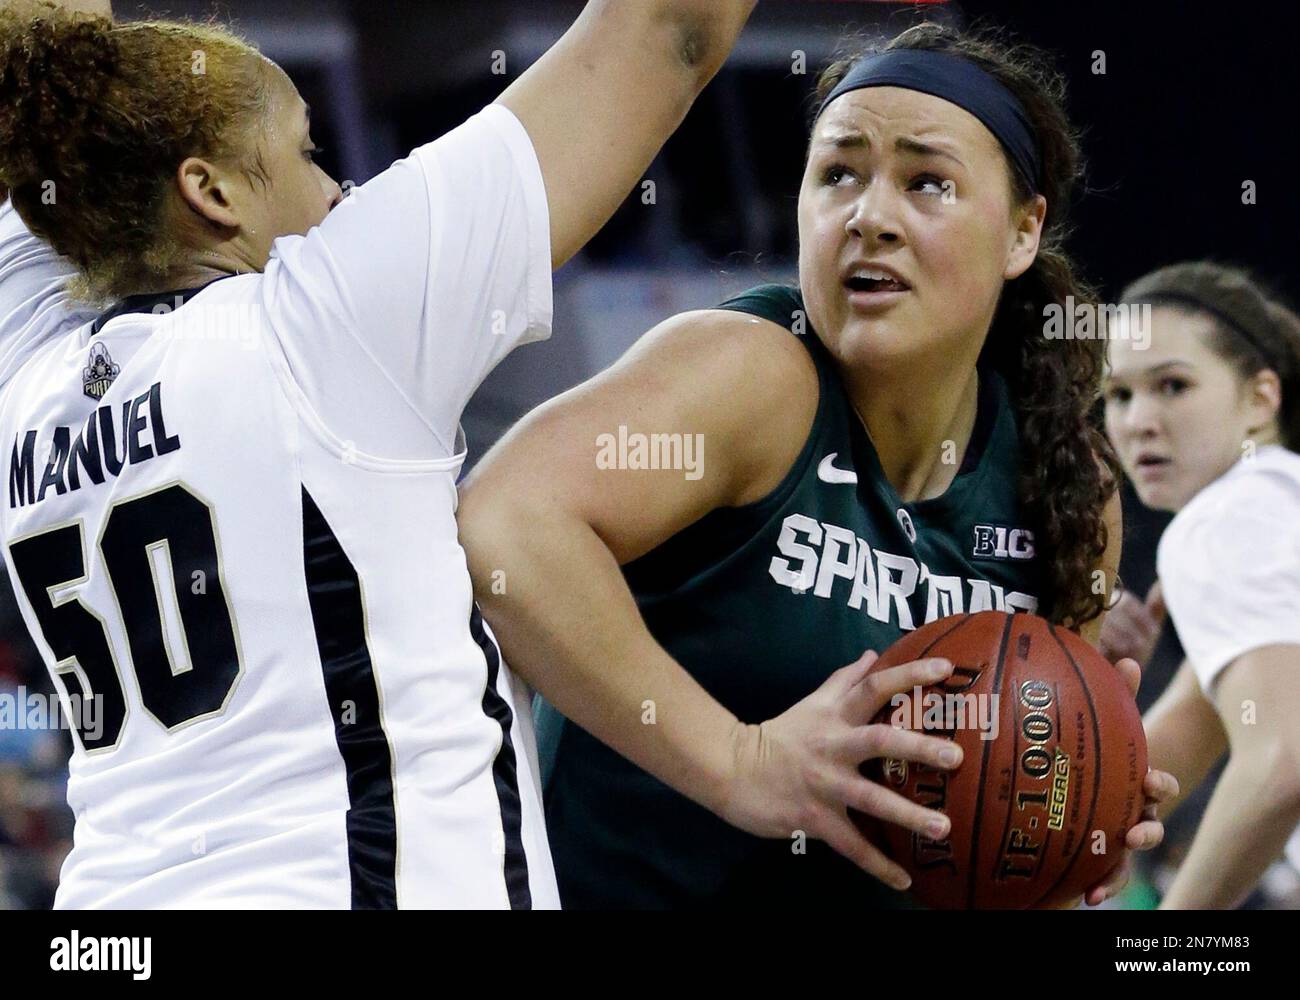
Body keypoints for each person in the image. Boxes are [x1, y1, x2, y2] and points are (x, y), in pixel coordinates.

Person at [0, 0, 779, 908]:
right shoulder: (323, 324)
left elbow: (40, 70)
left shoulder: (23, 368)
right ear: (211, 194)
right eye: (305, 152)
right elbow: (671, 32)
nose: (338, 192)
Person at [459, 22, 1174, 908]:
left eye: (927, 183)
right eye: (838, 174)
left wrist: (1071, 829)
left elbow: (992, 836)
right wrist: (739, 761)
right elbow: (500, 524)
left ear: (1023, 233)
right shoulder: (753, 374)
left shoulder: (1068, 484)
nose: (869, 216)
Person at [1103, 261, 1300, 908]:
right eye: (1119, 395)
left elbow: (1283, 763)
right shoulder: (1272, 504)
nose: (1139, 421)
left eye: (1173, 385)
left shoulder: (1227, 518)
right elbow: (1161, 758)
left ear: (1260, 399)